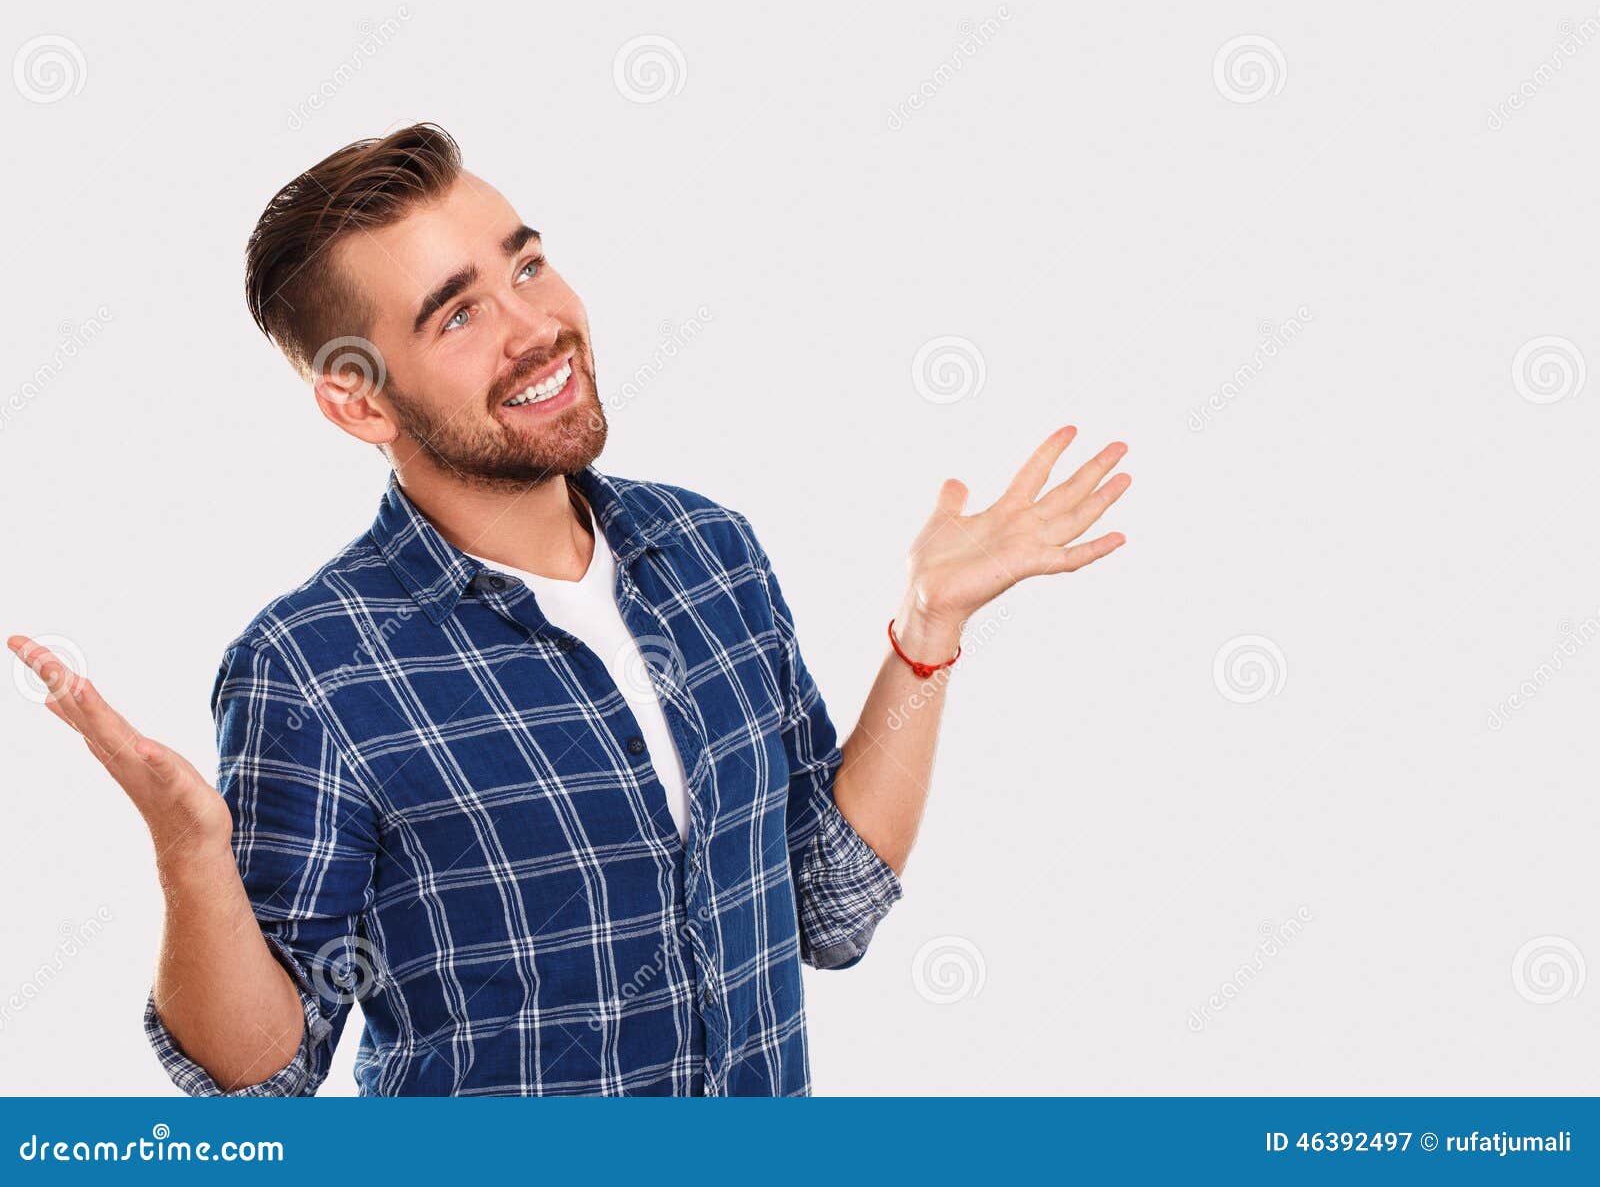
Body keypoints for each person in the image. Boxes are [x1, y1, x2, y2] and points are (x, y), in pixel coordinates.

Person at [7, 123, 1131, 1096]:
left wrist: (925, 632)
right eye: (455, 318)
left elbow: (827, 901)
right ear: (358, 401)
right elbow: (262, 1079)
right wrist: (190, 855)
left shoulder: (708, 551)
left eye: (528, 265)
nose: (534, 326)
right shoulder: (312, 668)